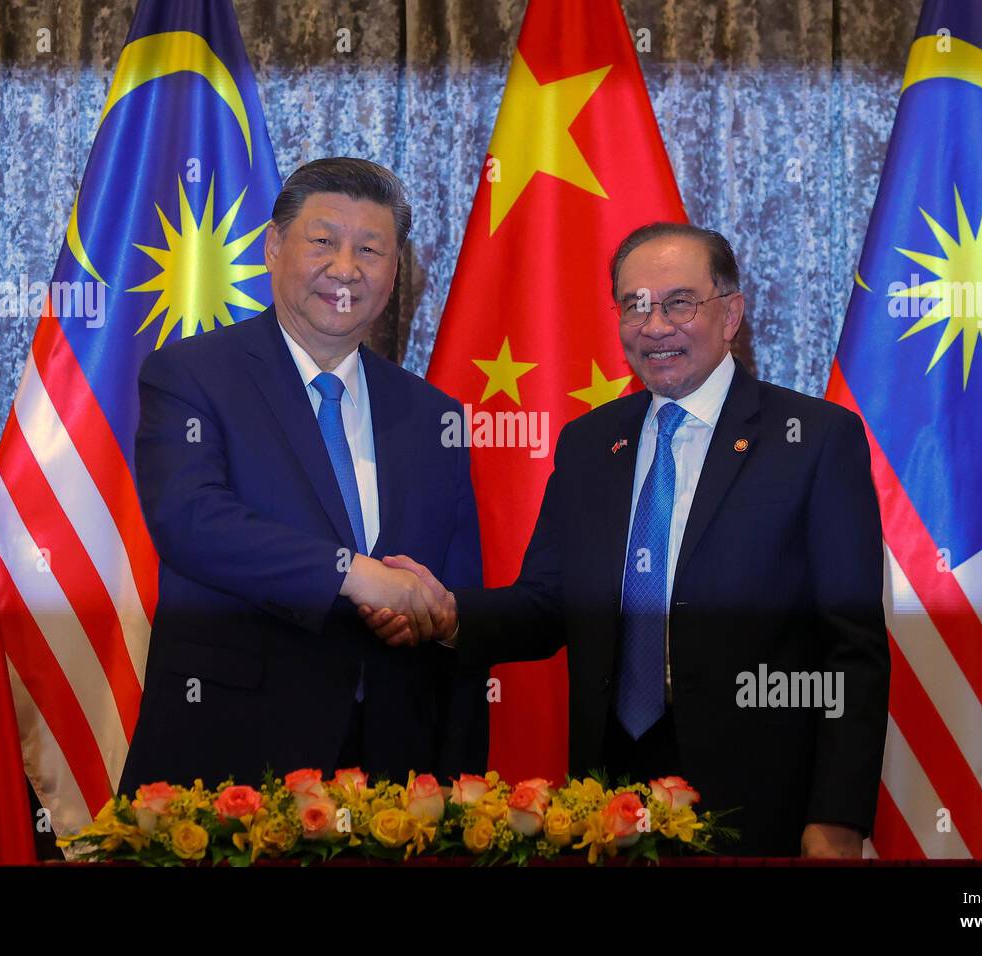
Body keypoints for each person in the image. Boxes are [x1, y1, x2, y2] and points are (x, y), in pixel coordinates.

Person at [362, 223, 890, 857]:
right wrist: (448, 612)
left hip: (760, 800)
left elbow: (851, 649)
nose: (655, 324)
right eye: (635, 304)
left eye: (678, 302)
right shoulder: (590, 444)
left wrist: (837, 816)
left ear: (731, 314)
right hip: (607, 800)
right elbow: (546, 604)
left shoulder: (815, 438)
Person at [119, 158, 486, 795]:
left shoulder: (435, 416)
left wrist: (430, 617)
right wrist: (356, 575)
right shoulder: (191, 376)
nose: (345, 268)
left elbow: (455, 595)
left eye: (370, 249)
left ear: (395, 272)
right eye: (323, 241)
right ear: (272, 246)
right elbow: (192, 523)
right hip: (231, 760)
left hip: (397, 774)